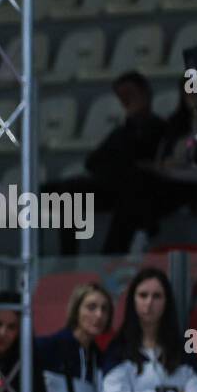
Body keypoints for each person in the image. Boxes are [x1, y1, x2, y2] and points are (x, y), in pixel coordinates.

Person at [44, 71, 166, 257]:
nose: (126, 100)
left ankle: (108, 255)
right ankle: (66, 258)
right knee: (62, 190)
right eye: (122, 96)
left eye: (130, 95)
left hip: (133, 190)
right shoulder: (121, 131)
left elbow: (148, 161)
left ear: (145, 93)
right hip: (106, 185)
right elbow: (93, 161)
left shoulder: (160, 127)